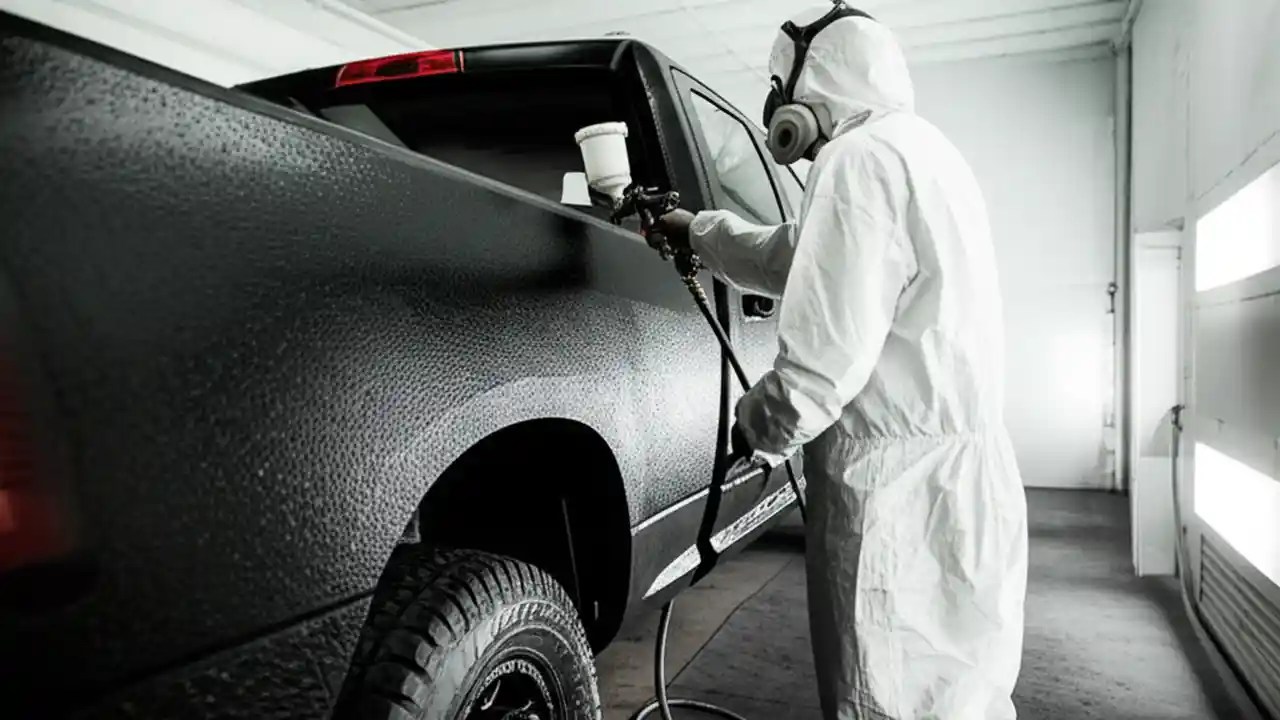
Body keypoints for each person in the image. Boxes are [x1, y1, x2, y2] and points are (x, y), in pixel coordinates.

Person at [651, 5, 1029, 719]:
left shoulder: (857, 161)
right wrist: (696, 231)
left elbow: (822, 365)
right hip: (967, 475)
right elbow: (798, 256)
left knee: (883, 694)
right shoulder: (924, 150)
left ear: (809, 85)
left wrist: (756, 426)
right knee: (963, 692)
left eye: (778, 86)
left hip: (892, 495)